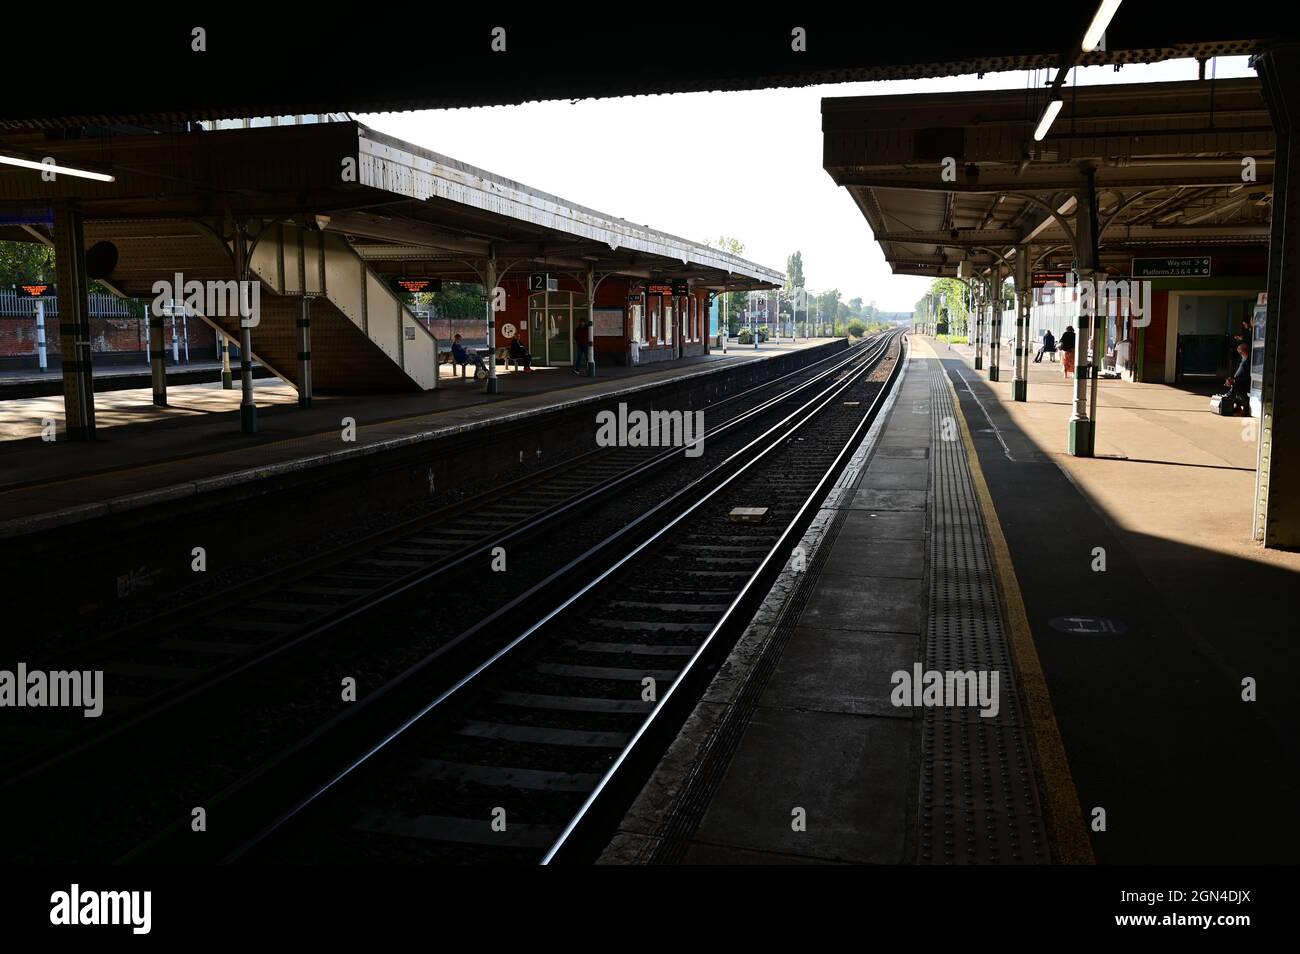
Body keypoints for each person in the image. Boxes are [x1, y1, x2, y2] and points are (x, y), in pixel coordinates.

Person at [1225, 342, 1251, 415]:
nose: (1240, 354)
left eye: (1241, 352)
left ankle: (1245, 409)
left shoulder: (1249, 360)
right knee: (1235, 386)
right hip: (1238, 380)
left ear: (1245, 351)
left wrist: (1235, 380)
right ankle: (1236, 404)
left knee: (1237, 388)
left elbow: (1248, 376)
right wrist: (1232, 378)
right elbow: (1237, 370)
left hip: (1245, 382)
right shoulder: (1242, 358)